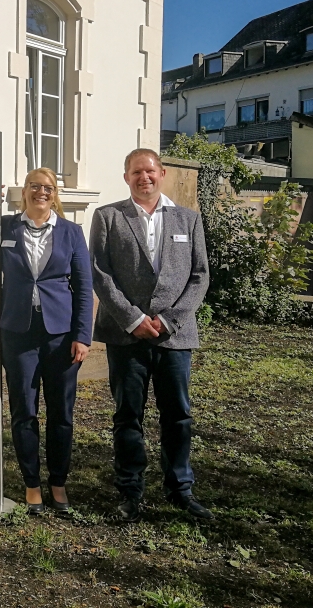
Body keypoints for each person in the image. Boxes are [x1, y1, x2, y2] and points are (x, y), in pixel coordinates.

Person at [90, 148, 211, 523]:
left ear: (162, 174)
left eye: (150, 171)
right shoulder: (108, 217)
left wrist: (169, 320)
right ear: (126, 177)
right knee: (128, 416)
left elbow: (199, 276)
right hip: (126, 336)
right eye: (136, 172)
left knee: (178, 416)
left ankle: (180, 490)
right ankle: (130, 492)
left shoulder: (188, 220)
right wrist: (132, 318)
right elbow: (100, 272)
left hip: (175, 337)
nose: (144, 177)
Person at [0, 168, 93, 515]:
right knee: (24, 411)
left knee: (62, 413)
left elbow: (84, 287)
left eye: (48, 188)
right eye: (35, 186)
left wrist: (83, 335)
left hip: (60, 335)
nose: (42, 192)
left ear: (55, 195)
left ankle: (58, 482)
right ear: (24, 191)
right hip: (19, 334)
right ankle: (32, 484)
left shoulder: (71, 232)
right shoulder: (5, 228)